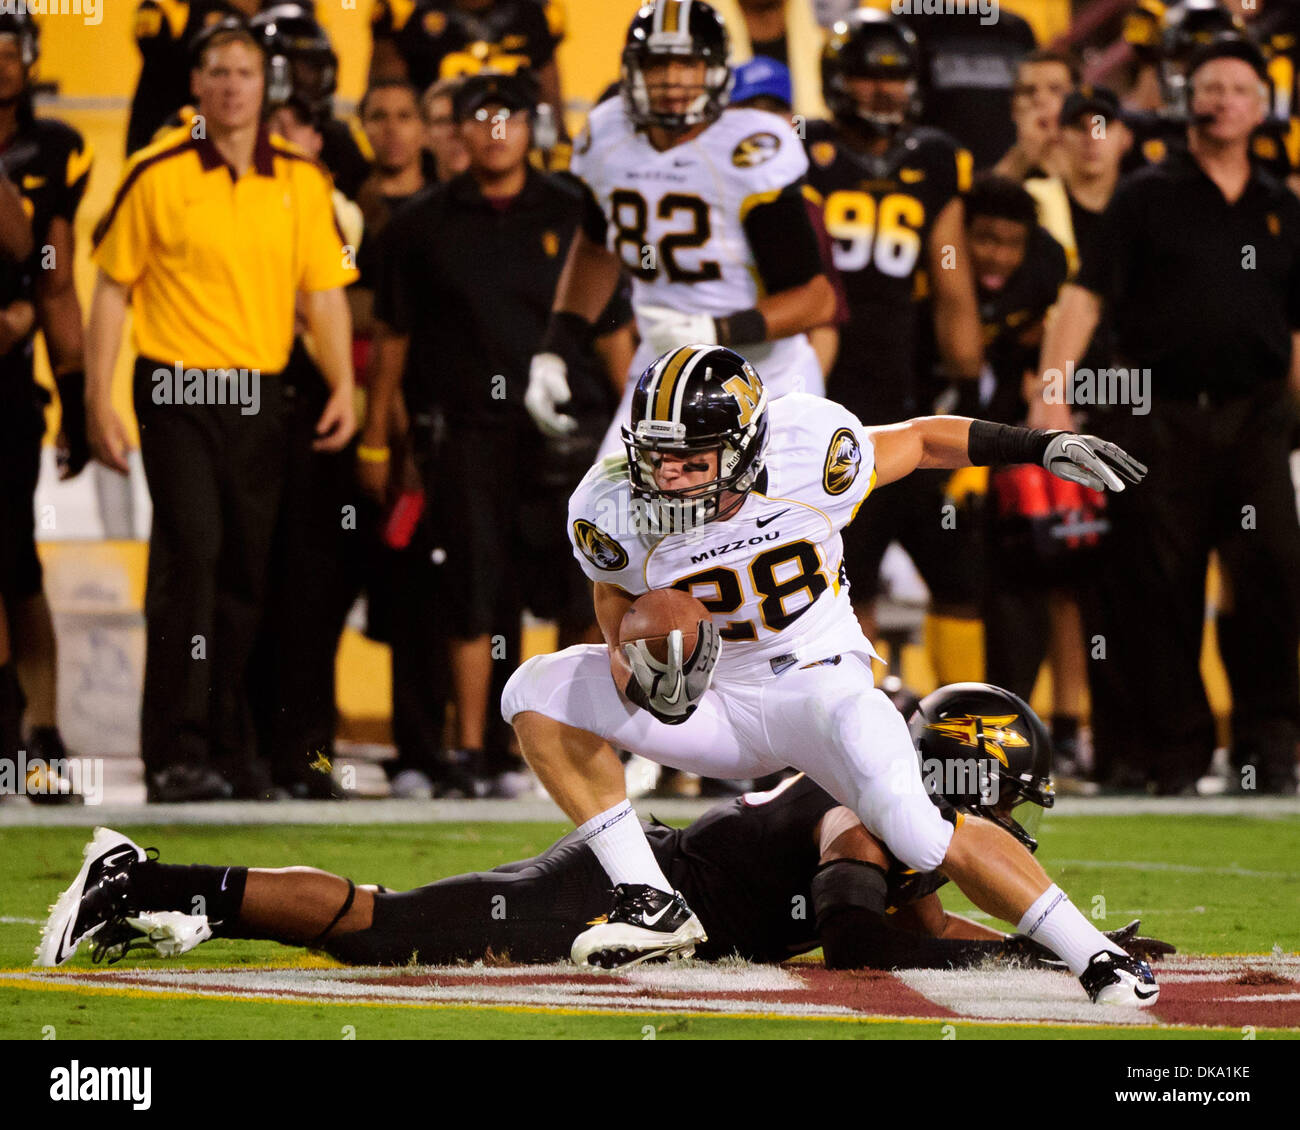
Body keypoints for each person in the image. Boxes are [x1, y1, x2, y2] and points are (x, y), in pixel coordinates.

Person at [500, 339, 1157, 1009]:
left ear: (748, 448)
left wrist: (1035, 446)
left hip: (817, 685)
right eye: (656, 456)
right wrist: (630, 652)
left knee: (916, 828)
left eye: (692, 462)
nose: (668, 478)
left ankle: (1098, 957)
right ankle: (649, 899)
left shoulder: (810, 448)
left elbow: (923, 441)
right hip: (710, 700)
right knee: (533, 690)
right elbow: (613, 591)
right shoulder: (607, 505)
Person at [36, 681, 1174, 989]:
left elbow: (917, 925)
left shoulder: (885, 798)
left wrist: (1050, 943)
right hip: (619, 894)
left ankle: (157, 882)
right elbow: (866, 939)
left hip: (659, 892)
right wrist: (1036, 950)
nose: (1003, 817)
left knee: (389, 928)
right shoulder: (860, 805)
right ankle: (145, 875)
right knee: (385, 933)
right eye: (1003, 792)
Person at [86, 17, 358, 802]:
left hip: (262, 395)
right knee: (192, 558)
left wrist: (342, 383)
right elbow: (111, 290)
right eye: (218, 72)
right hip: (175, 390)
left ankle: (231, 750)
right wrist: (96, 399)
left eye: (246, 71)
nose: (233, 85)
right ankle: (174, 751)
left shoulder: (303, 182)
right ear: (197, 86)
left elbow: (326, 293)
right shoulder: (155, 170)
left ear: (265, 84)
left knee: (246, 572)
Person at [1039, 37, 1300, 796]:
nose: (1221, 99)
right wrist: (1052, 394)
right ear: (1191, 102)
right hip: (1156, 416)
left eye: (1237, 89)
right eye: (1209, 86)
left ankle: (1268, 747)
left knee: (1271, 578)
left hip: (1256, 420)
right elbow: (1085, 298)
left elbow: (1293, 327)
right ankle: (1171, 757)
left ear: (1262, 108)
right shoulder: (1145, 194)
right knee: (1158, 588)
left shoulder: (1283, 208)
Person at [366, 70, 630, 797]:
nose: (493, 131)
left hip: (569, 436)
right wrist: (378, 440)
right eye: (478, 118)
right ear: (457, 129)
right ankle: (473, 754)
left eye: (507, 117)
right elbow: (391, 342)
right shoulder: (420, 224)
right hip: (466, 438)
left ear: (530, 125)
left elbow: (613, 332)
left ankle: (576, 747)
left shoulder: (578, 210)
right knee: (474, 597)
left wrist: (634, 431)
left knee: (584, 598)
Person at [524, 0, 838, 453]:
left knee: (771, 519)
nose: (672, 79)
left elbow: (816, 300)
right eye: (657, 64)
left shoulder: (749, 149)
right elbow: (595, 249)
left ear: (714, 69)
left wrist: (716, 332)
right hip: (663, 371)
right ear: (633, 70)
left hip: (765, 375)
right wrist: (555, 351)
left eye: (687, 63)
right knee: (610, 515)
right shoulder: (607, 135)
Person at [804, 10, 983, 663]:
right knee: (848, 578)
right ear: (836, 79)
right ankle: (855, 737)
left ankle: (964, 733)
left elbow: (952, 282)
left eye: (894, 77)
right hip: (826, 393)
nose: (882, 90)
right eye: (866, 75)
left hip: (908, 393)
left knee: (959, 574)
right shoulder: (807, 152)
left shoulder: (932, 158)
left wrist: (971, 384)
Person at [0, 12, 94, 802]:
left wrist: (76, 396)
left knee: (14, 558)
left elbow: (48, 274)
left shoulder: (51, 149)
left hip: (5, 386)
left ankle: (40, 731)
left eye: (9, 49)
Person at [127, 0, 272, 155]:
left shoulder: (223, 10)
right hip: (156, 112)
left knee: (201, 157)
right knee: (156, 161)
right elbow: (152, 50)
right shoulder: (157, 7)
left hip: (200, 111)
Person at [370, 0, 565, 111]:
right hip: (435, 157)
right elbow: (388, 108)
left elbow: (551, 109)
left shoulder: (538, 12)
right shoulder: (403, 11)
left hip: (514, 153)